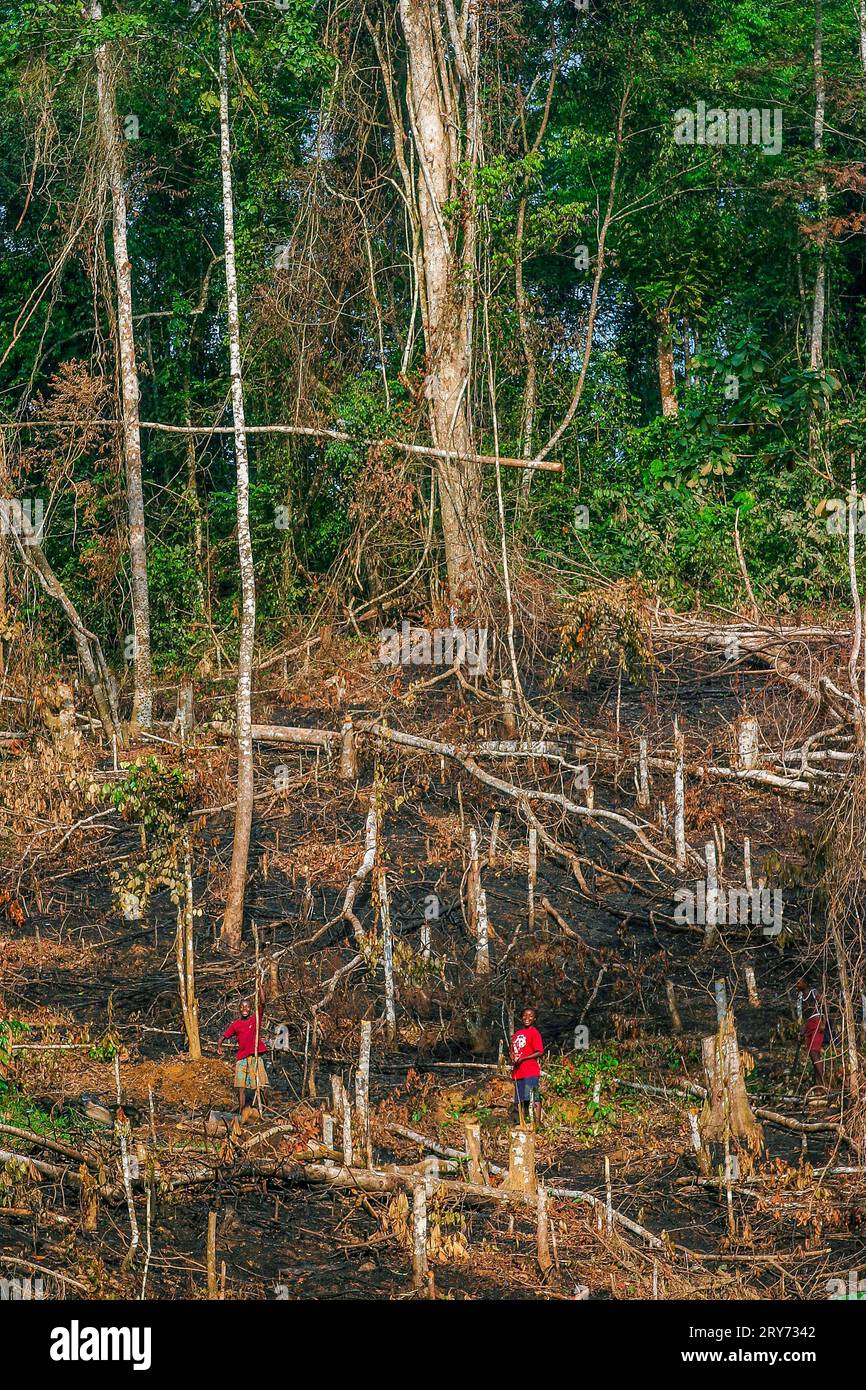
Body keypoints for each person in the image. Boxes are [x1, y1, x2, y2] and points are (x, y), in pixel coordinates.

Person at [218, 994, 269, 1114]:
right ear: (239, 1009)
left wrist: (261, 990)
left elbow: (262, 1003)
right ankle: (241, 1111)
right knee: (241, 1086)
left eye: (247, 1007)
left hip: (255, 1057)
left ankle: (266, 1109)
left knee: (261, 1084)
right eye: (242, 1007)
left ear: (250, 1008)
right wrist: (219, 1045)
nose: (244, 1009)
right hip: (242, 1058)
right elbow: (224, 1035)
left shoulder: (255, 1019)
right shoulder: (236, 1024)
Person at [510, 1007, 544, 1124]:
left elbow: (539, 1051)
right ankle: (520, 1124)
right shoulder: (517, 1034)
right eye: (525, 1015)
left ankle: (537, 1124)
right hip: (518, 1073)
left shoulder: (534, 1033)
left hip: (530, 1072)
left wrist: (523, 1059)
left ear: (534, 1019)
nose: (527, 1018)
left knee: (533, 1097)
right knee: (519, 1100)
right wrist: (513, 1058)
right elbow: (513, 1050)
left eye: (530, 1016)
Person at [796, 979, 830, 1090]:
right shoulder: (800, 999)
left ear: (806, 983)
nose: (797, 984)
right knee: (812, 1056)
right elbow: (802, 1017)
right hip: (808, 1026)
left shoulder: (813, 993)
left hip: (817, 1023)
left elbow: (825, 1004)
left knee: (814, 1052)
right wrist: (801, 1032)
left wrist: (824, 1022)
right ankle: (818, 1086)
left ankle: (824, 1084)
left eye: (799, 982)